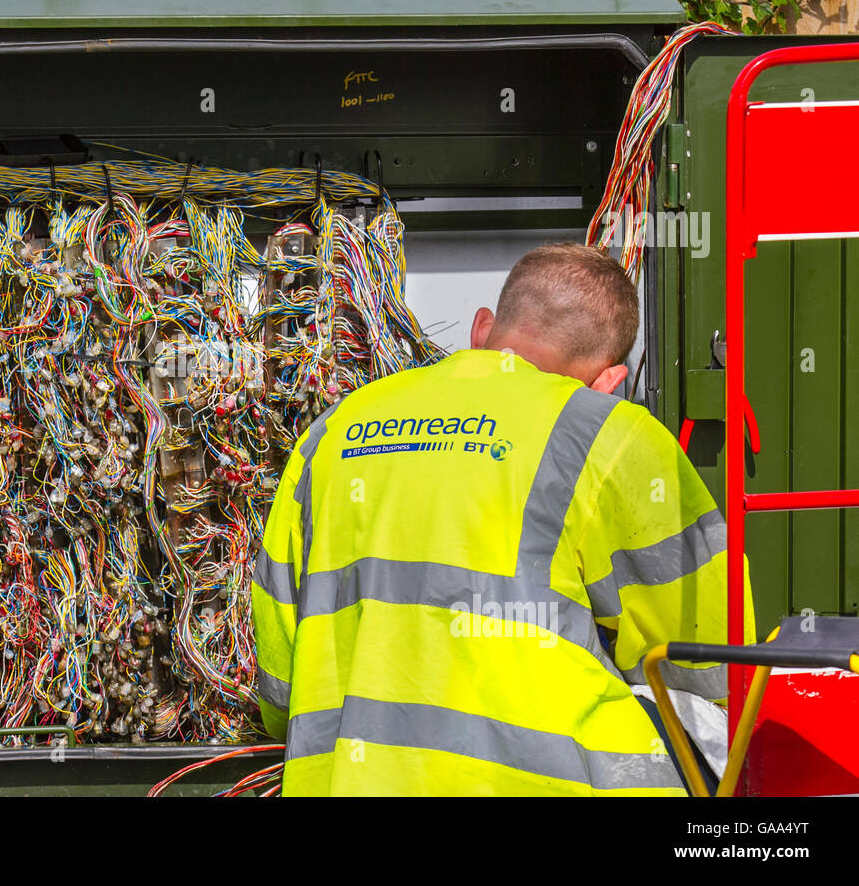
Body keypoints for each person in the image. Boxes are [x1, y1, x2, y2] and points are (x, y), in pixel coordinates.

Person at [251, 242, 754, 796]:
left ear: (482, 327)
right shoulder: (611, 435)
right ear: (610, 379)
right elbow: (714, 662)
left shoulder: (334, 430)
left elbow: (279, 675)